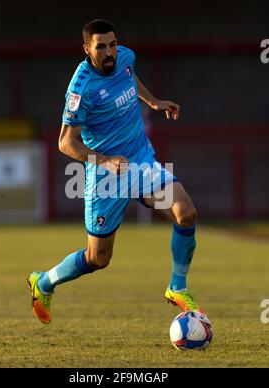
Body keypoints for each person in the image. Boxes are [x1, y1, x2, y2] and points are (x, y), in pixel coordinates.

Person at [28, 19, 208, 324]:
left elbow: (129, 77)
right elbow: (65, 143)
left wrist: (152, 101)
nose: (110, 52)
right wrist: (105, 160)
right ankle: (43, 282)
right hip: (105, 178)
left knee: (185, 211)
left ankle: (177, 287)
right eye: (102, 47)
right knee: (98, 259)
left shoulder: (125, 57)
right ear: (87, 49)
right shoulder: (80, 89)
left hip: (139, 160)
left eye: (113, 44)